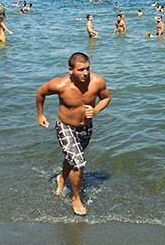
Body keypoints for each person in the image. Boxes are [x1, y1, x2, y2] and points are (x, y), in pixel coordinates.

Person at [35, 52, 111, 216]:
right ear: (71, 70)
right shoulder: (60, 85)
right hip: (65, 126)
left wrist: (95, 110)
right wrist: (40, 115)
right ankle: (76, 198)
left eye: (88, 69)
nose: (86, 73)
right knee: (78, 162)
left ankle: (62, 178)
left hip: (86, 128)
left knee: (72, 157)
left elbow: (106, 98)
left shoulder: (97, 82)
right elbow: (40, 93)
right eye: (81, 70)